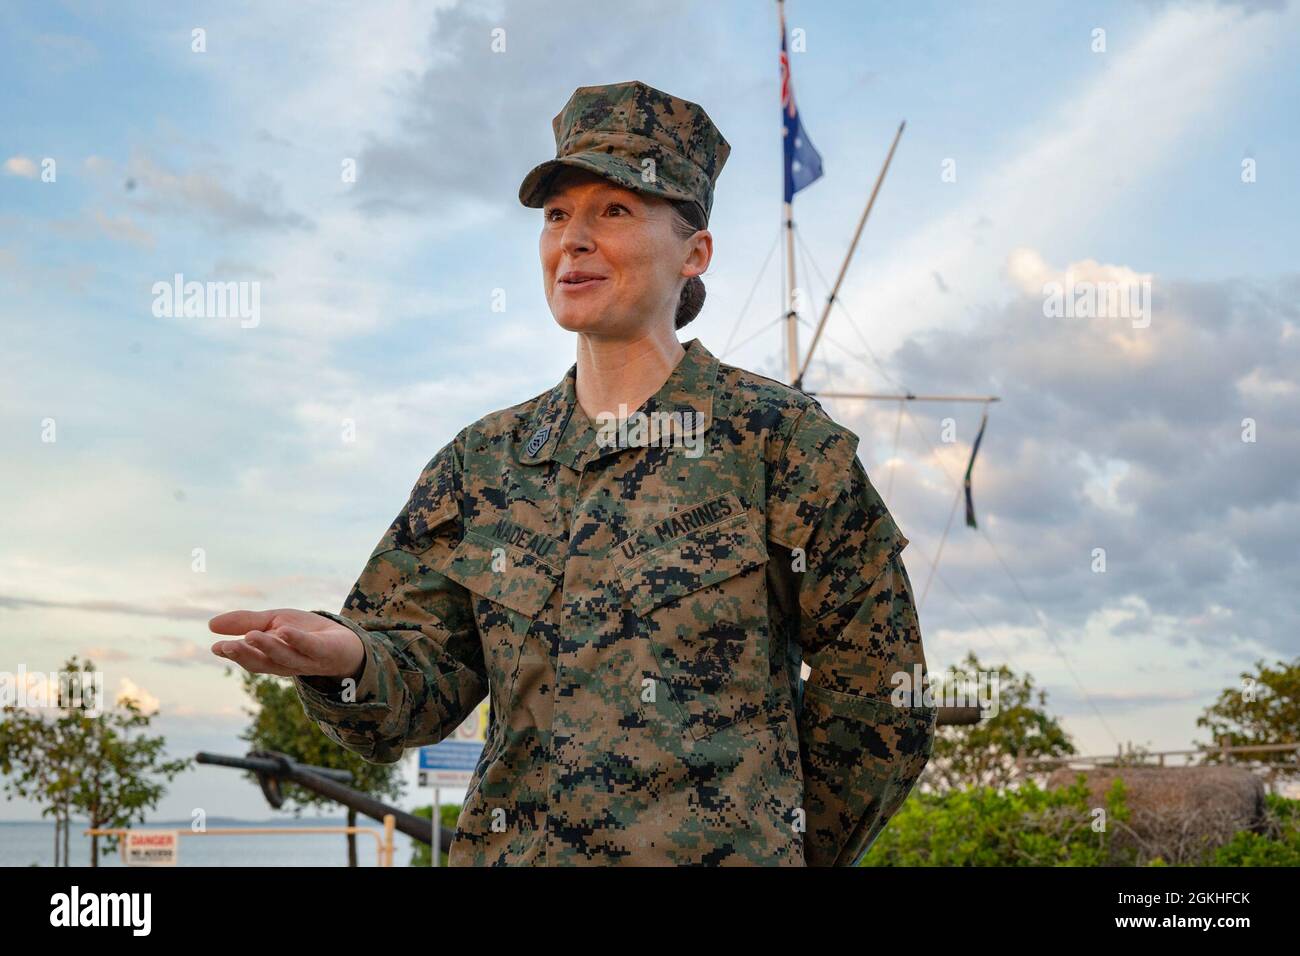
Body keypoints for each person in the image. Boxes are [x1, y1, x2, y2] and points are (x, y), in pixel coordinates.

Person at [210, 80, 936, 866]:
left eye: (615, 210)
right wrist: (349, 660)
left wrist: (772, 849)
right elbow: (417, 687)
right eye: (559, 215)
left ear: (695, 252)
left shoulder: (783, 446)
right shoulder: (482, 462)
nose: (574, 240)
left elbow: (880, 702)